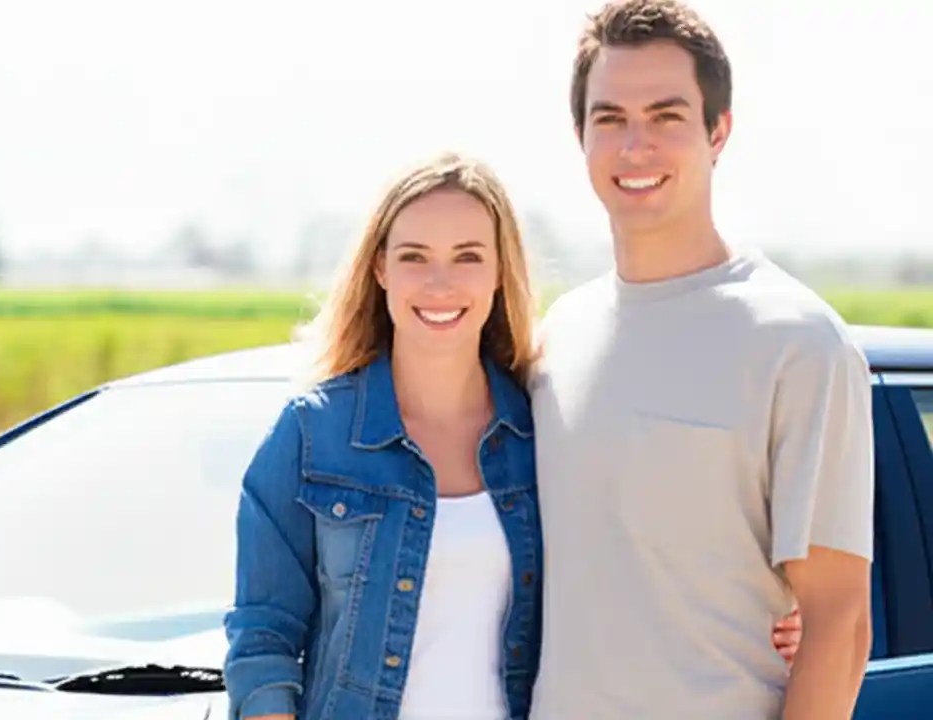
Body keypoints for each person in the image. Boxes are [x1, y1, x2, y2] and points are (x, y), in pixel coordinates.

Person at [222, 152, 802, 720]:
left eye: (468, 256)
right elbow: (263, 639)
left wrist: (766, 609)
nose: (440, 283)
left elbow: (641, 561)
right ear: (380, 269)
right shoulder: (311, 435)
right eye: (414, 256)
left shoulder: (544, 429)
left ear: (500, 271)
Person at [528, 1, 874, 719]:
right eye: (611, 118)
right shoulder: (556, 337)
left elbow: (839, 626)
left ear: (718, 131)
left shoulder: (800, 341)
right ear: (580, 136)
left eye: (666, 116)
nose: (635, 146)